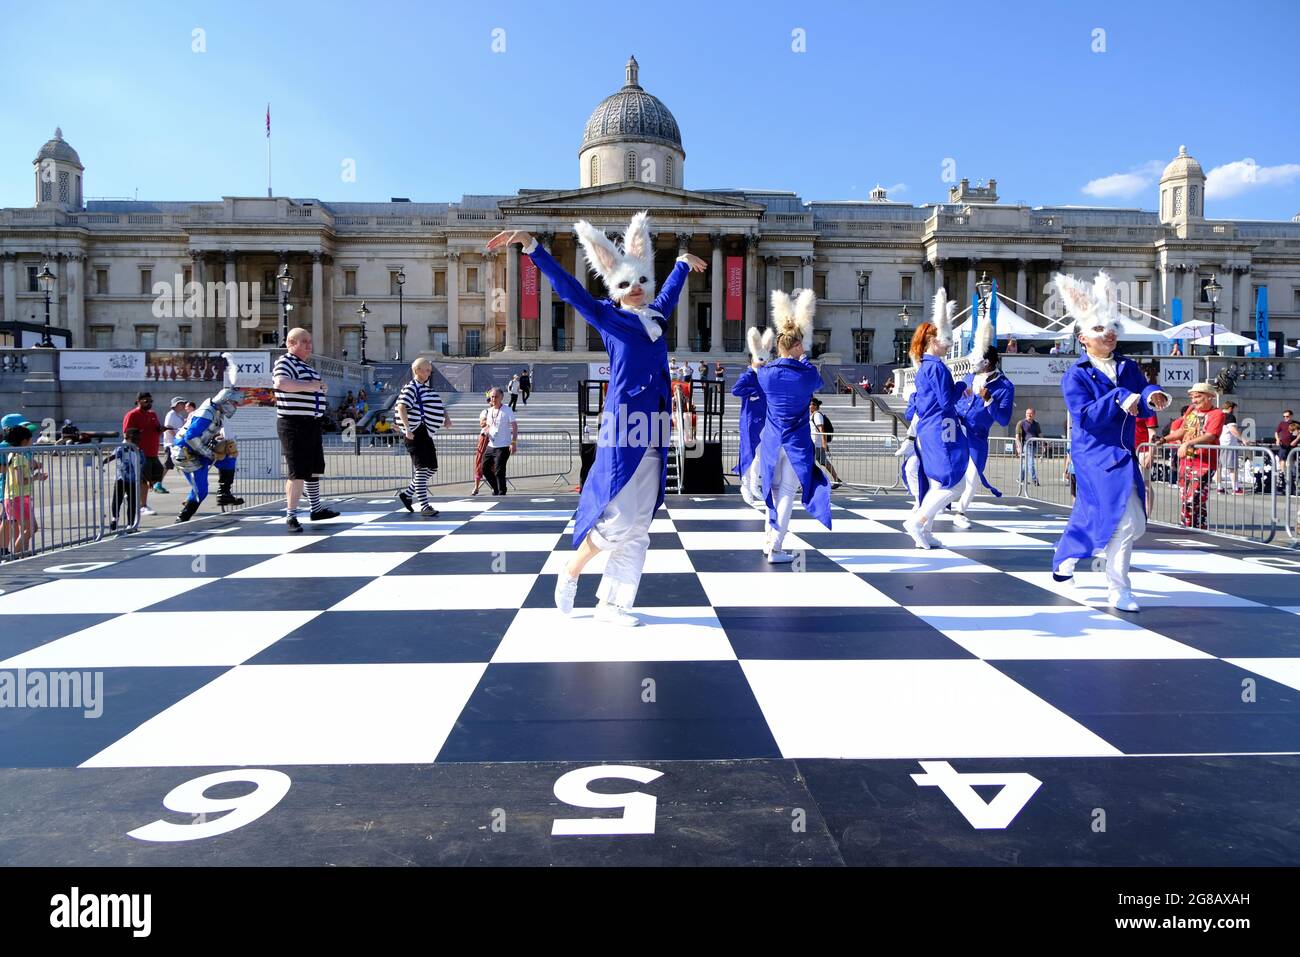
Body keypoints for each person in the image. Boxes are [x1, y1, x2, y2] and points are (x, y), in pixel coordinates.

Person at [488, 211, 706, 626]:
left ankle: (613, 603)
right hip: (624, 425)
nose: (636, 289)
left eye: (641, 280)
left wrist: (680, 264)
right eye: (625, 284)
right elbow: (572, 293)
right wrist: (534, 248)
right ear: (614, 287)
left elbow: (672, 293)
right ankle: (571, 570)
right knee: (619, 518)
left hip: (656, 427)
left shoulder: (657, 317)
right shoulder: (610, 318)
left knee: (640, 524)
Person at [1050, 270, 1170, 612]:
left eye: (1112, 328)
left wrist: (1153, 395)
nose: (1109, 335)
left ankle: (1064, 558)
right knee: (1124, 521)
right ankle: (1119, 589)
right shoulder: (1076, 375)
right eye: (1100, 330)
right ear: (1084, 337)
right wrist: (1119, 397)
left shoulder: (1128, 366)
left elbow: (1141, 390)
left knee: (1116, 519)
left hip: (1123, 452)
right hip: (1093, 455)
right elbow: (1085, 416)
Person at [755, 289, 832, 561]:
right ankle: (775, 545)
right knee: (786, 492)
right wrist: (804, 360)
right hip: (796, 441)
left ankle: (769, 541)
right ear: (797, 346)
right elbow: (818, 382)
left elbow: (759, 375)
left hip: (773, 440)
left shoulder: (766, 374)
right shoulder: (806, 373)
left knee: (773, 491)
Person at [901, 289, 970, 549]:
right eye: (946, 339)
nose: (950, 344)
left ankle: (924, 529)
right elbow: (946, 401)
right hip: (940, 428)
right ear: (932, 340)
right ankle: (919, 522)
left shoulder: (925, 366)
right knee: (954, 484)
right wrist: (962, 383)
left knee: (938, 482)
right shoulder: (938, 367)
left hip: (931, 429)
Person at [273, 328, 338, 533]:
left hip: (310, 422)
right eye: (304, 342)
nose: (309, 345)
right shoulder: (285, 362)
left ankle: (315, 508)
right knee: (298, 471)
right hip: (293, 423)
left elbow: (310, 387)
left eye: (310, 341)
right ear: (290, 343)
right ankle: (291, 515)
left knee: (314, 468)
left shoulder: (304, 365)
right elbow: (281, 383)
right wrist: (313, 386)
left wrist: (319, 389)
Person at [952, 327, 1016, 529]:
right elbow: (956, 399)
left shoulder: (1005, 387)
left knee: (973, 475)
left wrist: (989, 400)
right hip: (955, 428)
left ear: (986, 362)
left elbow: (1004, 420)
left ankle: (960, 511)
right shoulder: (968, 377)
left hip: (977, 436)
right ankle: (933, 502)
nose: (970, 359)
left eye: (975, 356)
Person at [172, 388, 248, 521]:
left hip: (197, 450)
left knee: (229, 457)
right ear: (225, 401)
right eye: (234, 403)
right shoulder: (206, 413)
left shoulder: (216, 412)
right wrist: (211, 454)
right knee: (201, 491)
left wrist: (217, 442)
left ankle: (224, 493)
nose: (235, 407)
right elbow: (190, 436)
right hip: (186, 453)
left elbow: (203, 435)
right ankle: (182, 518)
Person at [1161, 382, 1224, 529]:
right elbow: (1182, 430)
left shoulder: (1217, 414)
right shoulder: (1191, 411)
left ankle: (1191, 526)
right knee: (1185, 496)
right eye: (1192, 397)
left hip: (1205, 462)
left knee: (1194, 497)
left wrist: (1188, 444)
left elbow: (1210, 435)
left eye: (1198, 397)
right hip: (1187, 460)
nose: (1194, 401)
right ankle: (1195, 527)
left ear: (1210, 397)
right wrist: (1163, 439)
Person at [394, 356, 450, 518]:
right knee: (422, 469)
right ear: (417, 371)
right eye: (426, 370)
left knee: (431, 467)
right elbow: (401, 407)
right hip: (416, 433)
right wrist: (407, 428)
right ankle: (424, 506)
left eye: (430, 371)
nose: (429, 373)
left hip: (425, 433)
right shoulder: (411, 388)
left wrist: (446, 417)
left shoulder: (425, 388)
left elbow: (438, 405)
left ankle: (407, 494)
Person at [731, 326, 774, 509]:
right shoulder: (748, 375)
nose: (763, 363)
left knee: (760, 455)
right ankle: (745, 486)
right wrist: (754, 392)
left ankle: (755, 484)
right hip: (750, 421)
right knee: (748, 453)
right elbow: (735, 390)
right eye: (761, 360)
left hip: (765, 419)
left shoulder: (766, 375)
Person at [3, 424, 47, 555]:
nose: (32, 442)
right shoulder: (19, 457)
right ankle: (14, 555)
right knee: (30, 528)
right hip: (18, 498)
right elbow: (20, 480)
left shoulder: (13, 454)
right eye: (30, 439)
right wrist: (36, 477)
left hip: (16, 497)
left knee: (30, 528)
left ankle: (20, 553)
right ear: (24, 441)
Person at [122, 391, 164, 515]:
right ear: (138, 401)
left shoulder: (153, 414)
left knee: (158, 473)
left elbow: (156, 429)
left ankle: (132, 496)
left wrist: (161, 429)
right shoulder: (132, 414)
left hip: (152, 451)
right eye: (146, 401)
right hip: (139, 453)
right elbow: (127, 433)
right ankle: (142, 505)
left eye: (151, 401)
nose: (149, 403)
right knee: (143, 480)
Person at [102, 427, 143, 531]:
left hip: (134, 480)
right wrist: (103, 461)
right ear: (128, 438)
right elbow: (114, 456)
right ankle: (114, 519)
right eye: (136, 438)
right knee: (117, 500)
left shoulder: (137, 449)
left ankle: (130, 524)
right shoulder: (122, 447)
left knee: (132, 502)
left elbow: (142, 464)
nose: (138, 440)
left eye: (138, 438)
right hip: (121, 478)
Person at [482, 387, 518, 496]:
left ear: (501, 397)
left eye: (496, 396)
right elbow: (489, 425)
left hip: (503, 446)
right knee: (484, 468)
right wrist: (485, 431)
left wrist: (514, 443)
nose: (493, 399)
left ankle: (502, 492)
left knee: (499, 471)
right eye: (492, 397)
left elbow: (515, 426)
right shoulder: (490, 411)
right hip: (491, 445)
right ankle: (496, 488)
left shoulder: (507, 410)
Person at [808, 397, 842, 488]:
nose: (810, 406)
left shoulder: (817, 415)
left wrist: (824, 443)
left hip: (816, 444)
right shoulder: (812, 415)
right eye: (810, 404)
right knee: (823, 462)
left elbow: (822, 429)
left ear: (816, 406)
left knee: (810, 463)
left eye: (812, 404)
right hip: (815, 443)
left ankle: (811, 483)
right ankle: (836, 479)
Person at [1218, 400, 1246, 494]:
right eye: (1234, 409)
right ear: (1230, 408)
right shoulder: (1230, 416)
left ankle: (1219, 487)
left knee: (1219, 467)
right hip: (1228, 444)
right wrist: (1242, 438)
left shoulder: (1218, 415)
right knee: (1232, 467)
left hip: (1218, 443)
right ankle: (1235, 488)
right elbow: (1233, 429)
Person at [160, 396, 187, 489]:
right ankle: (157, 483)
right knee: (167, 465)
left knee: (184, 464)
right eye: (181, 403)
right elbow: (168, 427)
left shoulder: (179, 415)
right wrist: (176, 438)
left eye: (184, 403)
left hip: (178, 444)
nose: (184, 405)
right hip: (171, 444)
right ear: (176, 405)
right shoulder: (171, 414)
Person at [1016, 408, 1043, 485]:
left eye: (1031, 413)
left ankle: (1020, 478)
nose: (1029, 415)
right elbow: (1017, 436)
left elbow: (1040, 435)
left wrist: (1044, 444)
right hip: (1026, 445)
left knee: (1026, 464)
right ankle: (1035, 480)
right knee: (1031, 463)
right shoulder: (1021, 423)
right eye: (1027, 413)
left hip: (1034, 445)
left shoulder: (1036, 424)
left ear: (1034, 415)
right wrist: (1018, 447)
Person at [472, 390, 492, 495]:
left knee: (495, 464)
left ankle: (495, 486)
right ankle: (476, 487)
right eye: (489, 399)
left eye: (493, 398)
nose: (491, 401)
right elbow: (482, 424)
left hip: (496, 439)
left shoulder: (501, 411)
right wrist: (492, 420)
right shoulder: (486, 411)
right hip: (485, 438)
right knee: (479, 462)